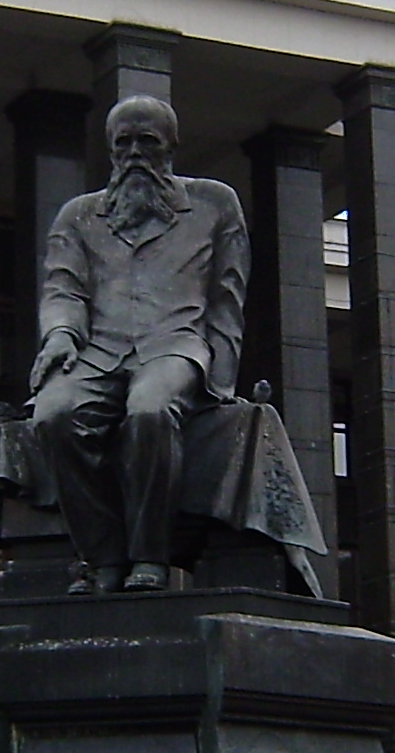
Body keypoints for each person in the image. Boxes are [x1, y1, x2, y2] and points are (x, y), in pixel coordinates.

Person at [27, 96, 250, 591]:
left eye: (146, 142)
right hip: (98, 352)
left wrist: (220, 381)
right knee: (53, 415)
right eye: (122, 143)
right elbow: (64, 289)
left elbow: (227, 296)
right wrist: (60, 334)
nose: (134, 154)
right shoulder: (78, 216)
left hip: (175, 345)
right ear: (109, 149)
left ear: (171, 146)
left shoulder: (214, 204)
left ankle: (150, 556)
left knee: (149, 411)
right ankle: (103, 557)